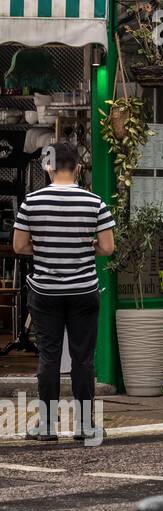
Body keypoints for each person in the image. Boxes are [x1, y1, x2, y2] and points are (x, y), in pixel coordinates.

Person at [12, 143, 115, 443]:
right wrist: (84, 248)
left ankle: (47, 425)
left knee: (49, 355)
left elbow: (19, 246)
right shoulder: (95, 202)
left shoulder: (31, 202)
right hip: (83, 289)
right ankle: (84, 425)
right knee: (83, 358)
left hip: (45, 291)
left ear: (48, 167)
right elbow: (107, 248)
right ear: (78, 168)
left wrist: (42, 249)